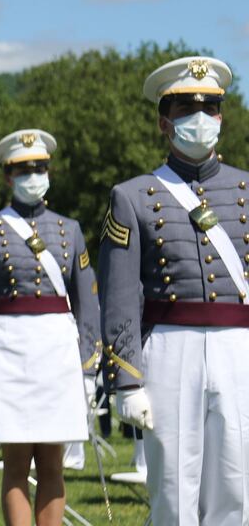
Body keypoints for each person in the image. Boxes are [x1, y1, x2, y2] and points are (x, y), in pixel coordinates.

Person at [99, 56, 249, 524]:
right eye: (186, 110)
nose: (198, 120)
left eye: (208, 108)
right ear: (165, 122)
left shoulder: (246, 188)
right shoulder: (133, 196)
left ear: (221, 117)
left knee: (236, 487)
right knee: (171, 492)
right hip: (169, 348)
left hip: (238, 348)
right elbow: (120, 295)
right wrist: (126, 379)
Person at [0, 130, 100, 526]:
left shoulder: (69, 229)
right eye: (24, 170)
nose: (33, 176)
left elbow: (88, 302)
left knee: (53, 461)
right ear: (8, 176)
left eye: (40, 168)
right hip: (9, 348)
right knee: (16, 462)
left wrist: (89, 364)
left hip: (57, 347)